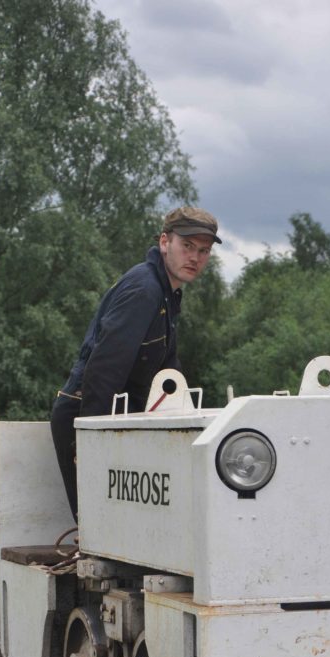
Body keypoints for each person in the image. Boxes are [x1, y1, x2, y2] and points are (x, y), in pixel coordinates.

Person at [50, 207, 221, 520]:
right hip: (88, 413)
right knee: (103, 529)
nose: (195, 257)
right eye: (188, 246)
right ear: (165, 242)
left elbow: (168, 374)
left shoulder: (167, 294)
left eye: (204, 251)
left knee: (132, 530)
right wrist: (91, 443)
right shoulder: (145, 289)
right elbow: (104, 369)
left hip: (118, 418)